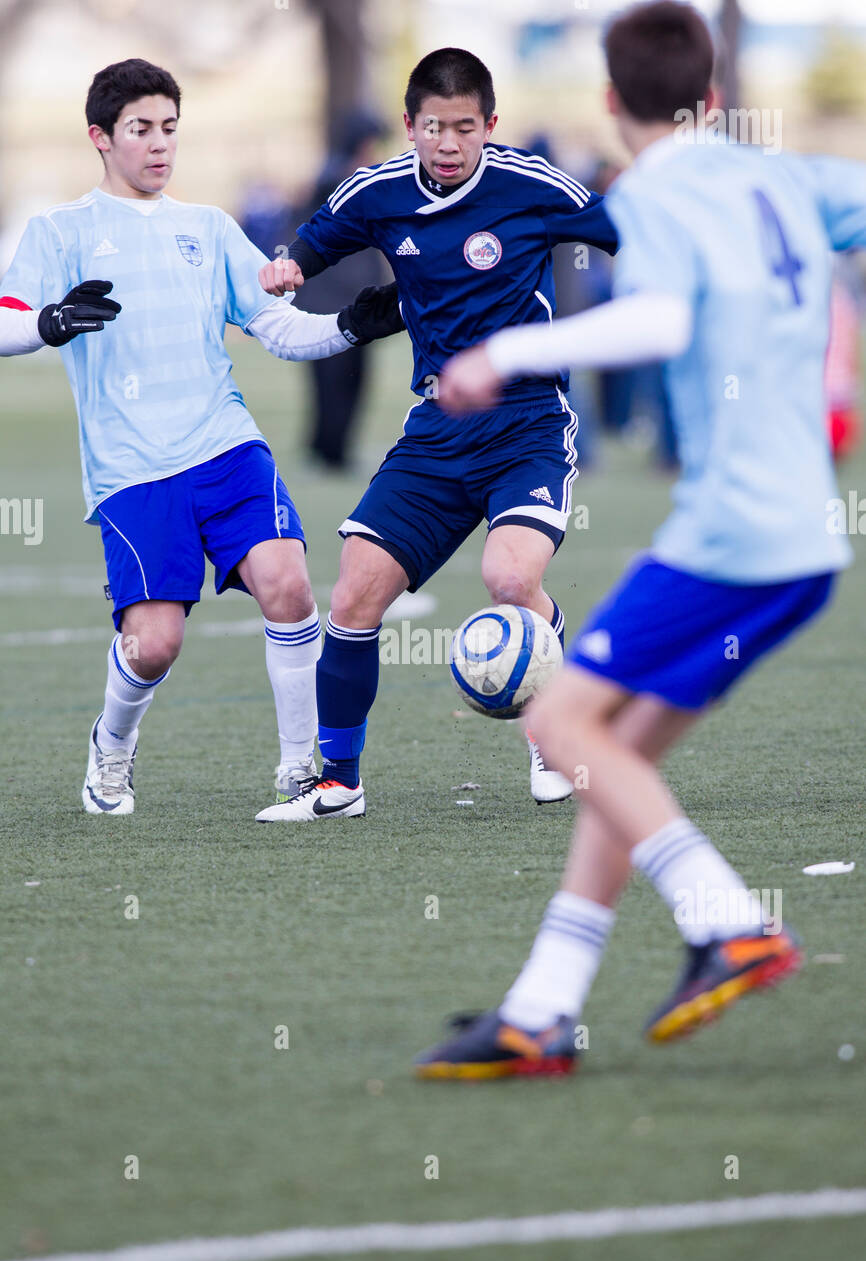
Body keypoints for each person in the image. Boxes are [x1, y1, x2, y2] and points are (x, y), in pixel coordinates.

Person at [415, 0, 861, 1079]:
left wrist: (506, 352)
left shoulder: (655, 188)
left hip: (732, 532)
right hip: (805, 535)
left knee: (558, 727)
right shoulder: (789, 176)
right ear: (710, 96)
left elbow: (656, 322)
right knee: (610, 764)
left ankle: (728, 922)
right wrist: (835, 348)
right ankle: (541, 1010)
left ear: (612, 103)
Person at [0, 58, 403, 817]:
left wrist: (352, 324)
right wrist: (46, 323)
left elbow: (277, 327)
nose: (159, 145)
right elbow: (5, 318)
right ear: (100, 137)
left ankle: (303, 771)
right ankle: (111, 750)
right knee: (154, 644)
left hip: (226, 446)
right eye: (141, 130)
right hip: (132, 469)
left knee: (287, 586)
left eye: (169, 130)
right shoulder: (60, 231)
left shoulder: (209, 228)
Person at [253, 47, 618, 823]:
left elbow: (621, 226)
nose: (448, 145)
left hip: (527, 422)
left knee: (511, 579)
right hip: (437, 430)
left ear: (489, 125)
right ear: (410, 126)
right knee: (352, 594)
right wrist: (288, 268)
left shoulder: (532, 184)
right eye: (432, 128)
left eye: (464, 128)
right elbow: (317, 238)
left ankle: (554, 737)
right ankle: (338, 784)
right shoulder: (379, 189)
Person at [294, 110, 390, 471]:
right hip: (326, 303)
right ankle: (326, 451)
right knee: (331, 382)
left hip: (353, 301)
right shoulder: (334, 180)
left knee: (353, 381)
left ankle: (335, 449)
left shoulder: (346, 179)